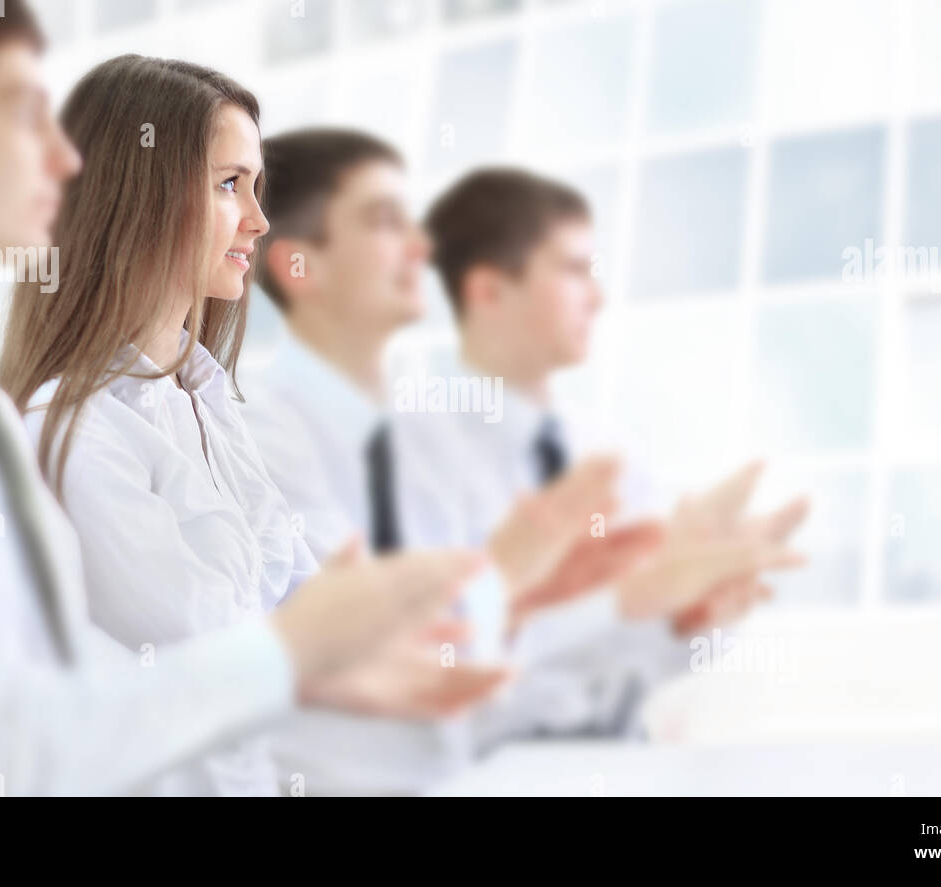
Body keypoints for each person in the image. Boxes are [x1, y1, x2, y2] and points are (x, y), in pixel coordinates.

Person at [0, 0, 490, 796]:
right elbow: (19, 733)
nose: (60, 161)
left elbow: (288, 617)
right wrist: (299, 654)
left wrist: (345, 651)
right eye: (231, 184)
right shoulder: (29, 426)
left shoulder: (196, 403)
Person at [0, 55, 627, 795]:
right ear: (142, 195)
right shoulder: (74, 434)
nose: (258, 220)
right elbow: (235, 658)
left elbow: (311, 607)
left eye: (258, 188)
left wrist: (511, 589)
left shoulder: (210, 405)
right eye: (230, 185)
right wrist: (491, 580)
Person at [242, 129, 805, 792]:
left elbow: (481, 656)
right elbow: (360, 656)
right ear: (299, 265)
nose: (421, 249)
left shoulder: (419, 445)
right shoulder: (263, 439)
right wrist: (534, 588)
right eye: (384, 221)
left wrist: (666, 614)